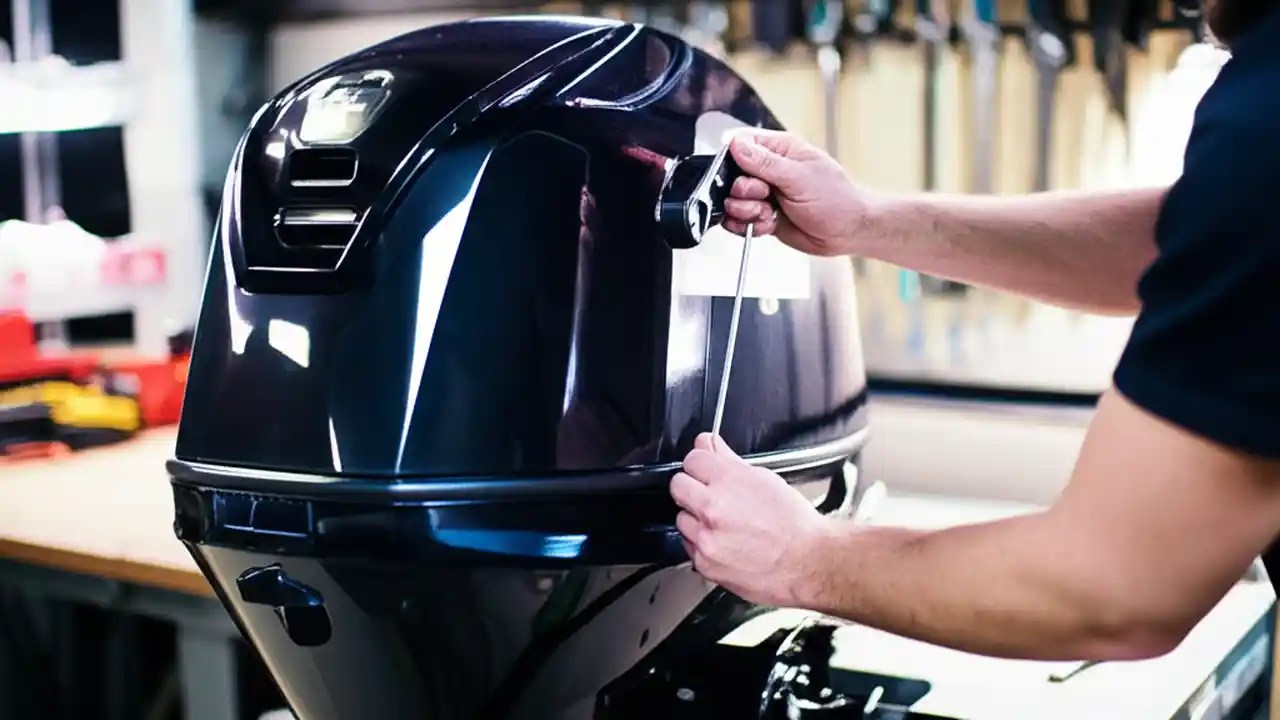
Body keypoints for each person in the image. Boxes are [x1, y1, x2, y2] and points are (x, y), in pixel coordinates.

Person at [671, 0, 1280, 662]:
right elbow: (1190, 238)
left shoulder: (1265, 124)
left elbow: (1110, 589)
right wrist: (868, 220)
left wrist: (800, 557)